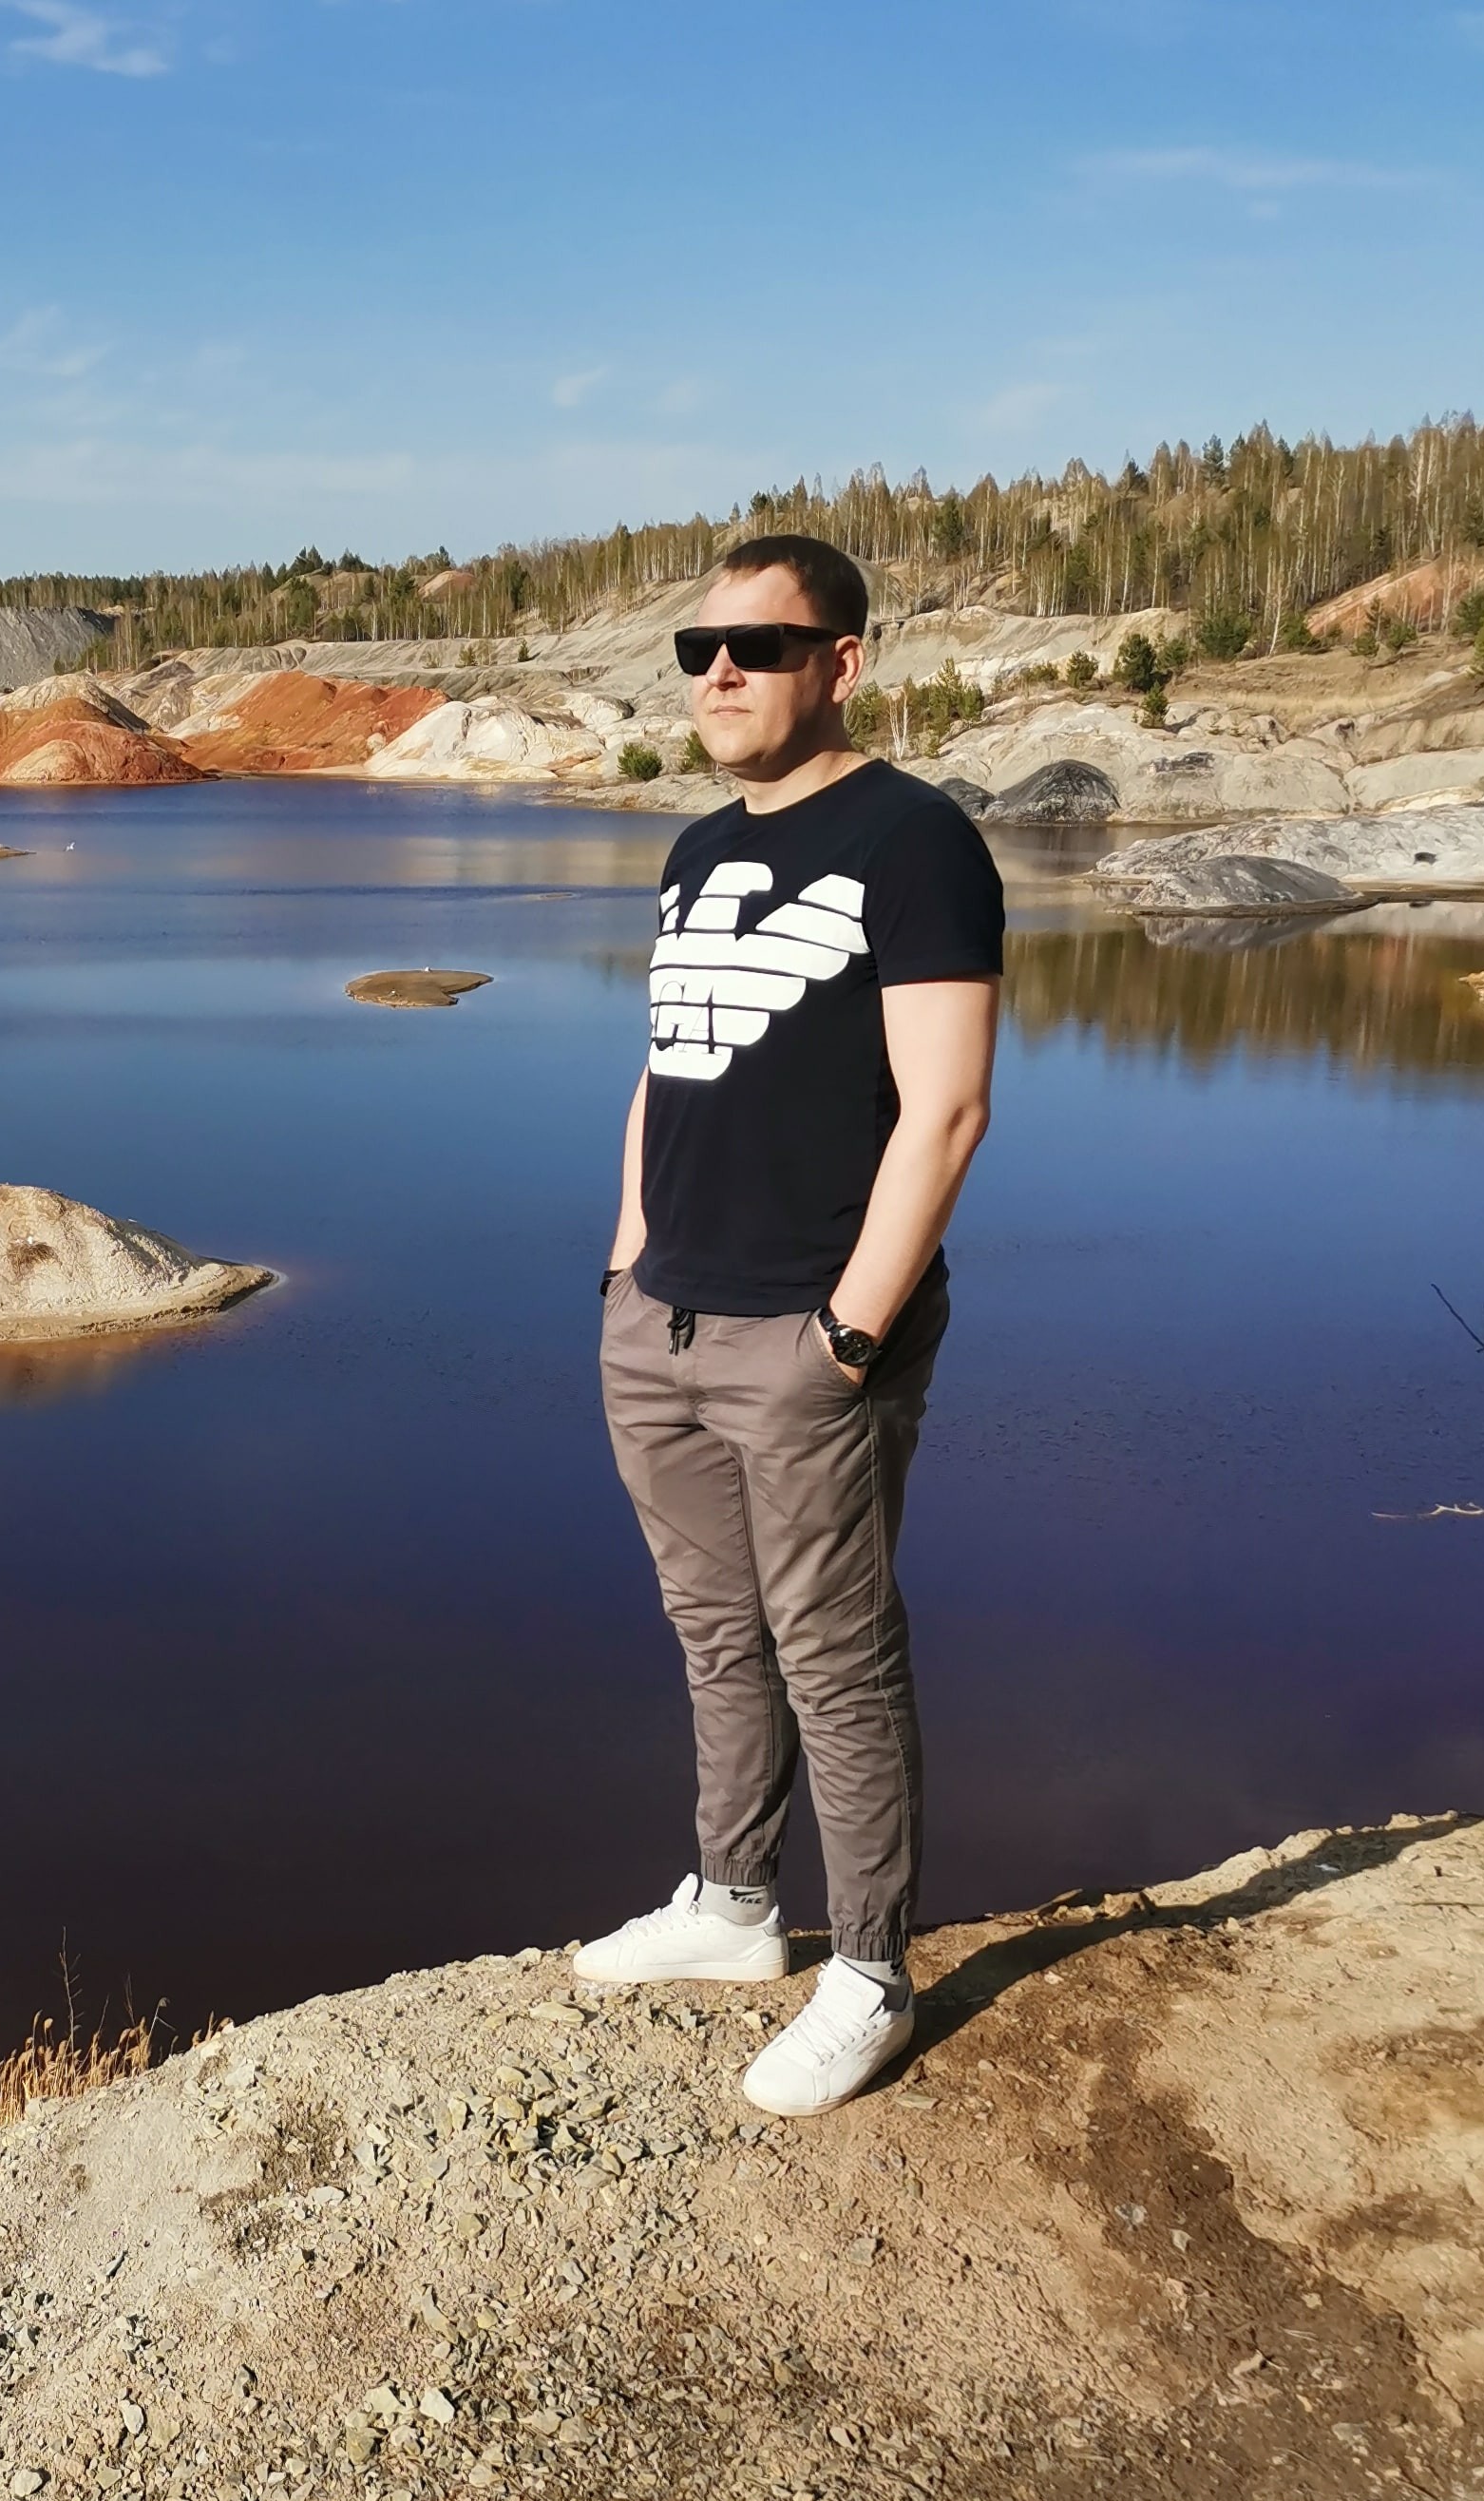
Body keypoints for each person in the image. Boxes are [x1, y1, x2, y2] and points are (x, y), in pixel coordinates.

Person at [574, 535, 1002, 2116]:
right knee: (713, 1632)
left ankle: (873, 1971)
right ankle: (734, 1905)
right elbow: (666, 1067)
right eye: (700, 646)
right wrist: (627, 1267)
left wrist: (848, 1335)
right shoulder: (692, 847)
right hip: (662, 1322)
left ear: (847, 660)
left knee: (838, 1656)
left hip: (808, 1339)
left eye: (760, 643)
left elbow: (946, 1110)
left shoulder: (917, 840)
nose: (722, 672)